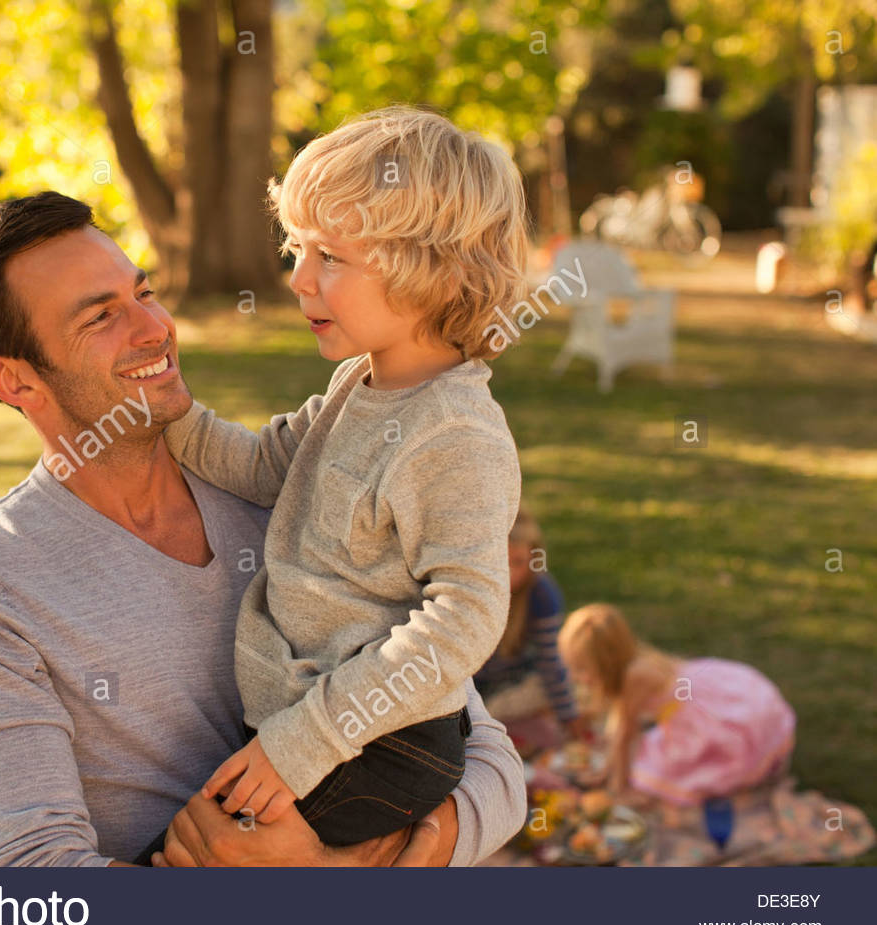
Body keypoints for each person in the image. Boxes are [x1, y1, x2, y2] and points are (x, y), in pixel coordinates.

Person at [0, 190, 527, 867]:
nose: (153, 328)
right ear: (15, 381)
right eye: (102, 317)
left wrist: (335, 875)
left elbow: (486, 755)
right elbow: (23, 875)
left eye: (143, 293)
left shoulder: (302, 488)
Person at [154, 107, 524, 849]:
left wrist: (307, 741)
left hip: (381, 742)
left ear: (430, 269)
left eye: (329, 256)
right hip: (319, 726)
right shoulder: (362, 384)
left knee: (203, 860)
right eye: (297, 248)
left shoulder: (456, 434)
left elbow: (466, 619)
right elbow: (264, 466)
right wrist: (171, 413)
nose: (298, 279)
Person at [556, 603, 796, 805]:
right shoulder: (631, 663)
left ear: (605, 662)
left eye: (581, 669)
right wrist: (607, 769)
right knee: (645, 757)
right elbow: (619, 727)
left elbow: (624, 735)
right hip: (698, 697)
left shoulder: (634, 676)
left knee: (650, 774)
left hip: (707, 713)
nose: (577, 678)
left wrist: (619, 788)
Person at [473, 506, 587, 739]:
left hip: (515, 682)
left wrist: (569, 717)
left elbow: (550, 659)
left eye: (518, 562)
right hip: (470, 685)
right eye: (502, 560)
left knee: (576, 684)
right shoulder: (473, 589)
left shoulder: (541, 592)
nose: (510, 572)